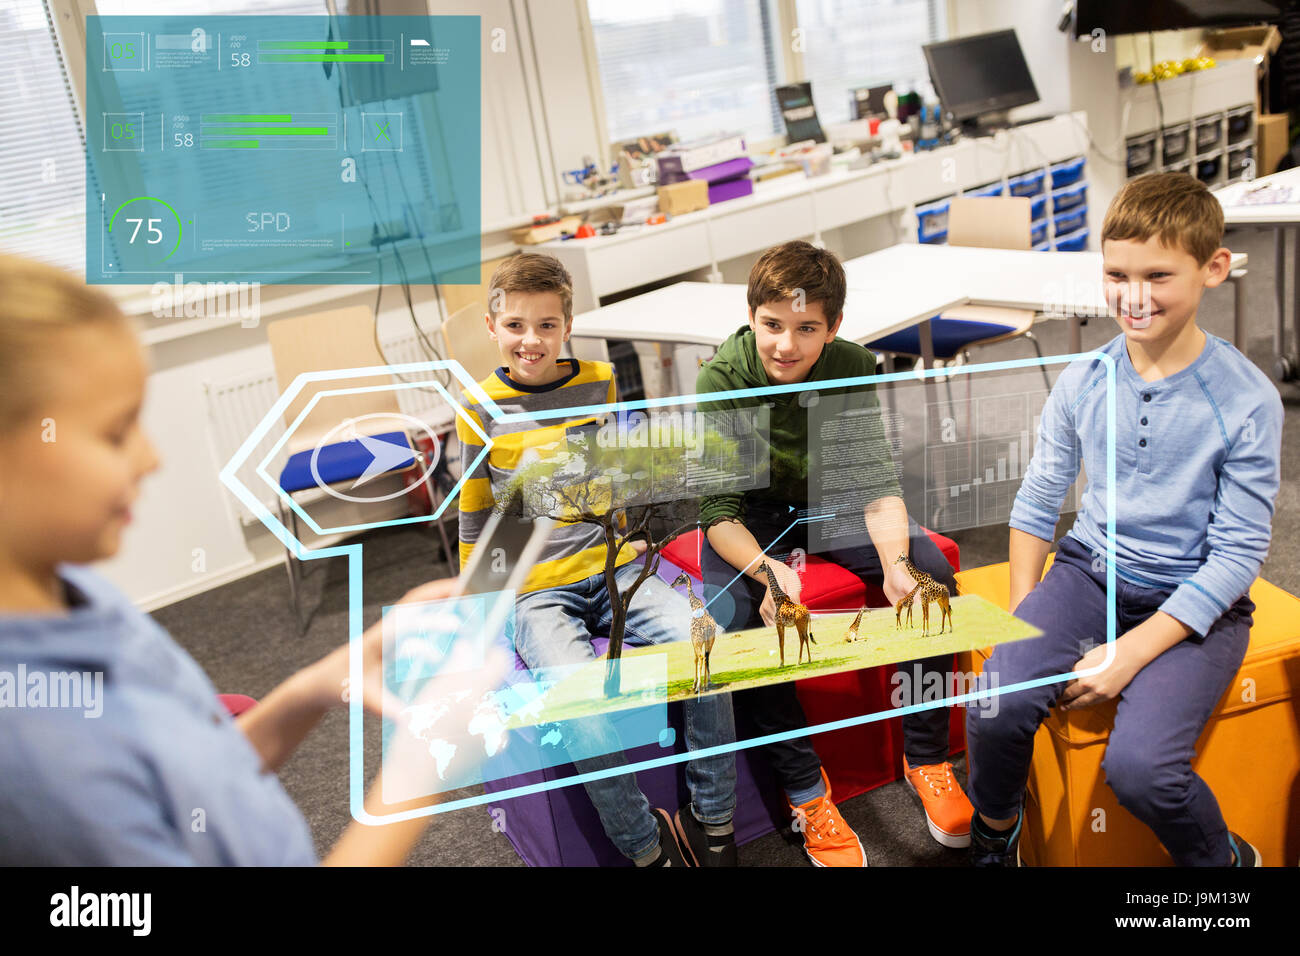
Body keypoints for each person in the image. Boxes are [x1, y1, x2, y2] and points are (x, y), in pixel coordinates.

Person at [0, 254, 500, 865]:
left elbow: (193, 781)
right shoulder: (31, 756)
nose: (151, 458)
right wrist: (421, 764)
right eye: (114, 432)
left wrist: (319, 681)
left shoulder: (74, 592)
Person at [966, 172, 1282, 866]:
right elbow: (1039, 497)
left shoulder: (1249, 401)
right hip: (1092, 573)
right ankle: (996, 834)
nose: (1133, 296)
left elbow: (1237, 557)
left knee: (1141, 770)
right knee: (993, 701)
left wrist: (1130, 654)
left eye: (1158, 275)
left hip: (1199, 600)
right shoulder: (1085, 378)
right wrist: (1024, 621)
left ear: (1214, 269)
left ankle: (1224, 861)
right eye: (1117, 274)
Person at [454, 252, 738, 867]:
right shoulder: (477, 405)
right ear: (492, 324)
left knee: (706, 643)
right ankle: (643, 843)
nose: (531, 340)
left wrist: (634, 532)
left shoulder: (601, 379)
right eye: (516, 326)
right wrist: (476, 607)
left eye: (547, 325)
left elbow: (610, 469)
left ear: (568, 323)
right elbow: (477, 514)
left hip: (615, 569)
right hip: (536, 591)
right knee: (580, 706)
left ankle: (712, 815)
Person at [695, 240, 971, 867]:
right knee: (737, 627)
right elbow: (718, 514)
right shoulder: (721, 379)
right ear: (752, 318)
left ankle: (926, 756)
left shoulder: (849, 363)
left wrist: (898, 567)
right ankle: (806, 790)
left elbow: (875, 484)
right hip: (752, 517)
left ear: (833, 328)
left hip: (831, 500)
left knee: (932, 576)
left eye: (805, 329)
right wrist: (768, 574)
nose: (785, 345)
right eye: (772, 326)